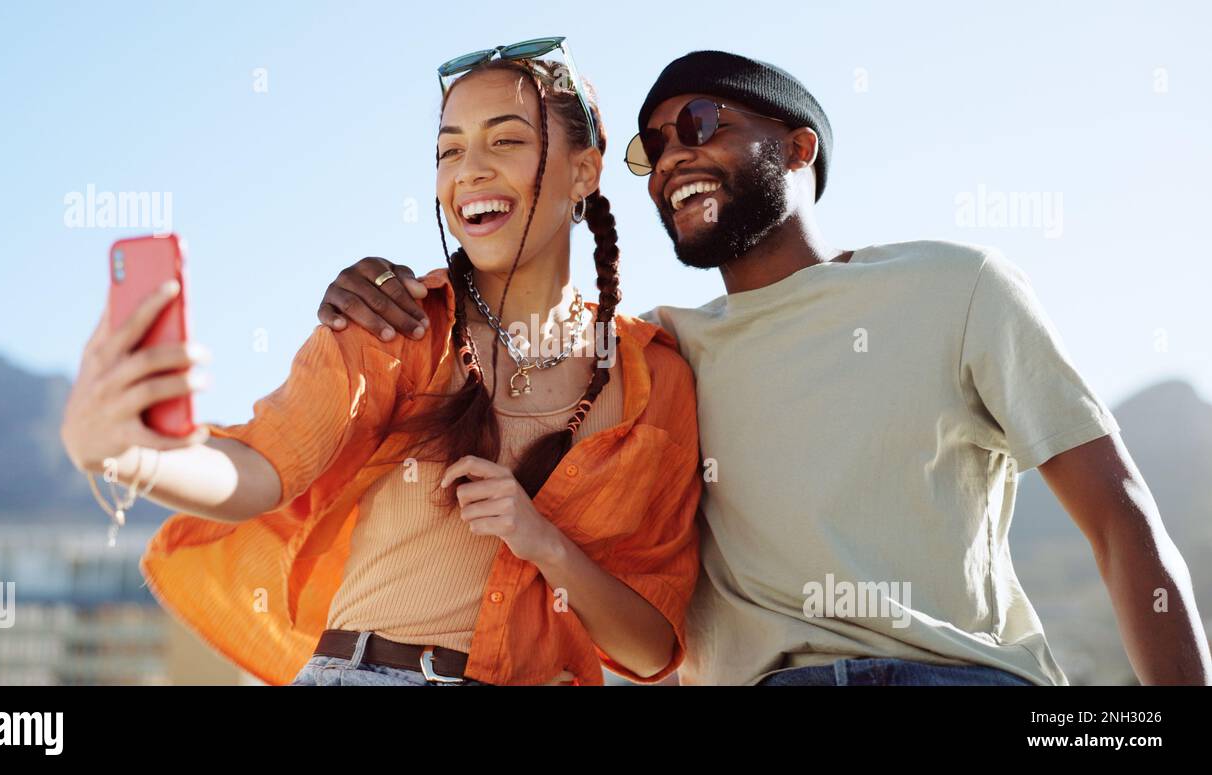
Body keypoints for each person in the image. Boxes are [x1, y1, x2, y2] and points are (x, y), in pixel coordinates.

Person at [315, 50, 1211, 686]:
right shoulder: (657, 355)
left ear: (796, 147)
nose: (671, 160)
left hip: (961, 675)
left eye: (700, 125)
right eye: (653, 147)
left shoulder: (957, 285)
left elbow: (1121, 519)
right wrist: (381, 281)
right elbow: (511, 331)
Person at [59, 39, 701, 686]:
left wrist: (544, 542)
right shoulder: (395, 325)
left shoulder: (655, 379)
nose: (467, 171)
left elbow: (650, 648)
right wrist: (131, 453)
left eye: (505, 141)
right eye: (448, 149)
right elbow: (260, 468)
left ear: (585, 171)